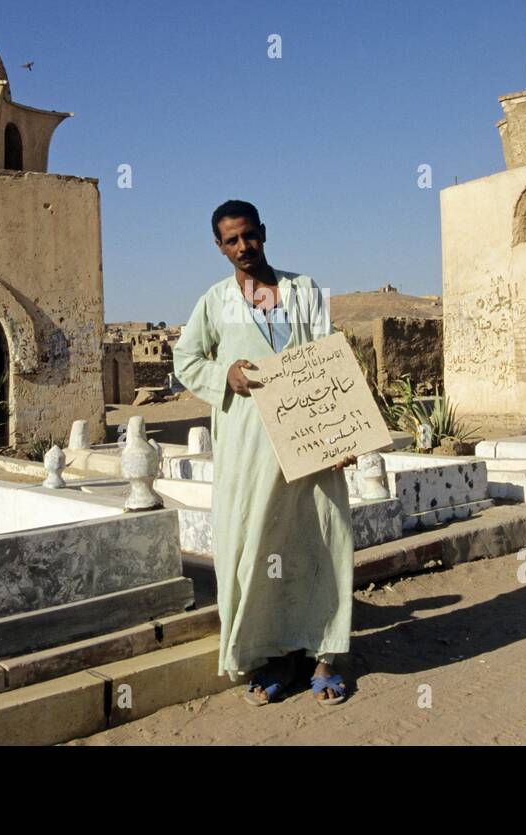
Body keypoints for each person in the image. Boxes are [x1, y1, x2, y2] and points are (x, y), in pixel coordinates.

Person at [172, 199, 355, 707]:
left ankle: (323, 655)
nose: (242, 248)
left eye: (249, 236)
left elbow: (326, 359)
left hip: (310, 439)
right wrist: (223, 376)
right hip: (249, 446)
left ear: (263, 233)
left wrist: (341, 436)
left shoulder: (303, 290)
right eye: (231, 241)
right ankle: (275, 655)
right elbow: (185, 359)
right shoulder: (214, 302)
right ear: (219, 246)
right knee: (258, 546)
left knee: (320, 540)